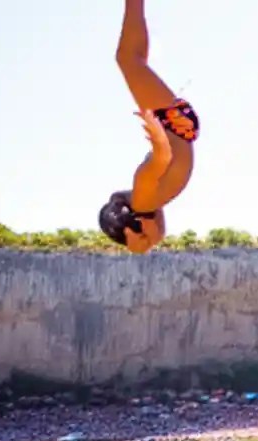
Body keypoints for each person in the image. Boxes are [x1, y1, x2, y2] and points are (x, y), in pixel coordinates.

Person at [100, 0, 200, 253]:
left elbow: (162, 159)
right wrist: (158, 135)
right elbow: (162, 158)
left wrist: (159, 137)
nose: (156, 240)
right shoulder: (146, 197)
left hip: (174, 126)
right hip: (172, 124)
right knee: (128, 59)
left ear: (138, 224)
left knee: (132, 59)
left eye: (147, 239)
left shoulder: (145, 197)